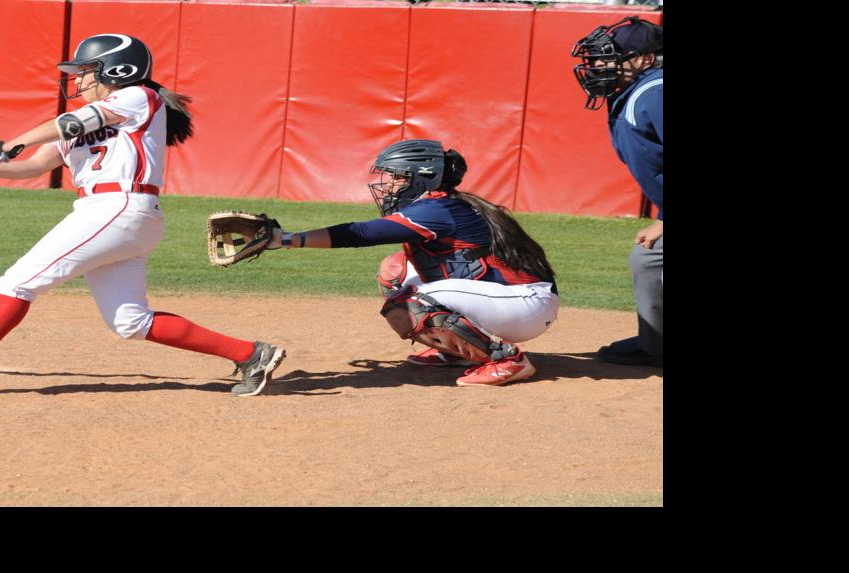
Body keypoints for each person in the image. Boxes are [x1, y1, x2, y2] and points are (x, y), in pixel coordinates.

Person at [0, 34, 285, 398]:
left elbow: (68, 125)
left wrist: (8, 145)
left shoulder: (138, 96)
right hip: (115, 215)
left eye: (86, 70)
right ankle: (251, 354)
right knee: (130, 321)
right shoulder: (82, 121)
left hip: (117, 207)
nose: (79, 79)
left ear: (115, 71)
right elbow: (36, 166)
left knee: (20, 281)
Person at [262, 139, 559, 386]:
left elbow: (363, 233)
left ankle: (506, 360)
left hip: (524, 305)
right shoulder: (441, 204)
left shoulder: (436, 210)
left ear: (422, 178)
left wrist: (284, 239)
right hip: (508, 298)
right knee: (395, 269)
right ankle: (459, 350)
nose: (387, 184)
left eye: (396, 176)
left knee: (409, 304)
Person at [572, 16, 662, 367]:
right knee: (649, 259)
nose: (596, 66)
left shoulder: (655, 93)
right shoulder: (637, 92)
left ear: (643, 59)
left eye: (608, 57)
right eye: (594, 59)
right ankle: (656, 345)